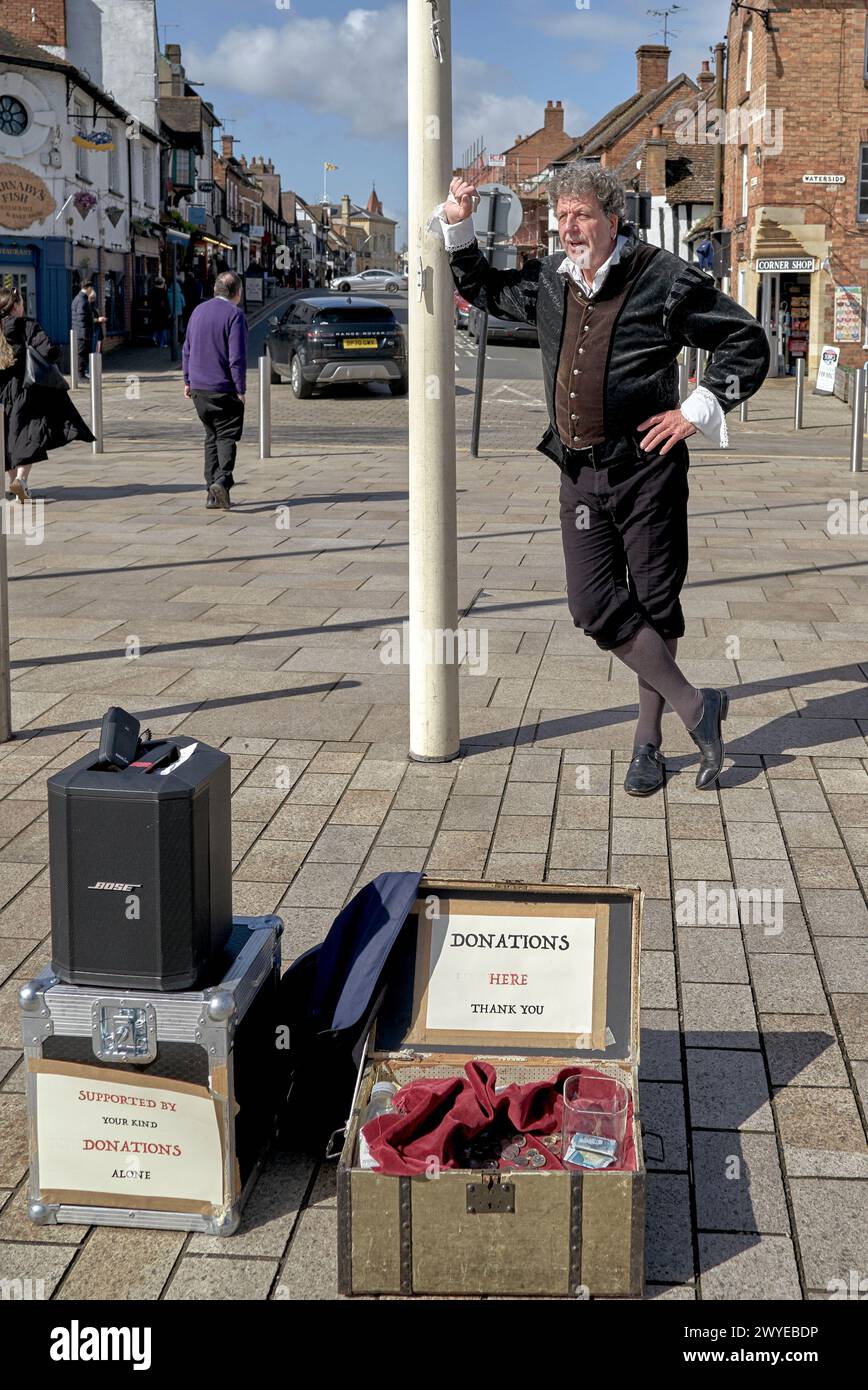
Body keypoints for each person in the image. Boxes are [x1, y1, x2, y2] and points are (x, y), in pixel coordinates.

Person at [438, 163, 770, 795]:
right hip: (579, 471)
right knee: (593, 605)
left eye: (582, 215)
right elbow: (484, 289)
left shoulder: (662, 277)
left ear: (613, 218)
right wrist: (458, 227)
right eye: (562, 217)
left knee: (654, 604)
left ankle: (648, 743)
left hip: (648, 472)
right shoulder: (554, 282)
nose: (569, 228)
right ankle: (699, 707)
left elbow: (748, 342)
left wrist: (696, 409)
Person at [0, 285, 94, 503]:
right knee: (26, 436)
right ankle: (21, 481)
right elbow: (49, 351)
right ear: (15, 306)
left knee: (5, 439)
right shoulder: (27, 326)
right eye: (21, 303)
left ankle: (14, 482)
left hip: (1, 395)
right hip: (24, 392)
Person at [182, 269, 247, 510]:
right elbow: (237, 357)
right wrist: (240, 387)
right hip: (223, 388)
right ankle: (222, 480)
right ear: (237, 293)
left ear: (214, 290)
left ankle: (211, 493)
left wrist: (187, 380)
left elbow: (186, 348)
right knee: (227, 436)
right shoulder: (235, 315)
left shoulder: (198, 311)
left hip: (199, 389)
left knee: (211, 437)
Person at [71, 280, 94, 381]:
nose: (92, 291)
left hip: (79, 332)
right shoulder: (82, 300)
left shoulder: (78, 298)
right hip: (82, 333)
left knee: (81, 353)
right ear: (88, 288)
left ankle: (81, 373)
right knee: (82, 353)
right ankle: (80, 375)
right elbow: (81, 317)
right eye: (91, 288)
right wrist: (85, 333)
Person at [149, 277, 170, 348]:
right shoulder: (163, 292)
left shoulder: (152, 291)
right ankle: (163, 343)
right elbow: (166, 303)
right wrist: (168, 312)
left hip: (154, 311)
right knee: (163, 328)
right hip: (163, 312)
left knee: (156, 327)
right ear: (162, 283)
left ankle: (154, 337)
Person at [86, 285, 107, 355]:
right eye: (92, 298)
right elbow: (88, 319)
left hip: (97, 331)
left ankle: (96, 364)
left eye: (94, 298)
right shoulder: (86, 306)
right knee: (94, 352)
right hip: (93, 331)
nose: (93, 300)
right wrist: (98, 319)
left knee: (97, 352)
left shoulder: (93, 306)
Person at [166, 277, 185, 345]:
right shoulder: (180, 295)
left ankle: (170, 340)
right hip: (179, 313)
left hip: (171, 313)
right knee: (178, 327)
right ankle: (177, 340)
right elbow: (184, 304)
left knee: (171, 327)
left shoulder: (168, 294)